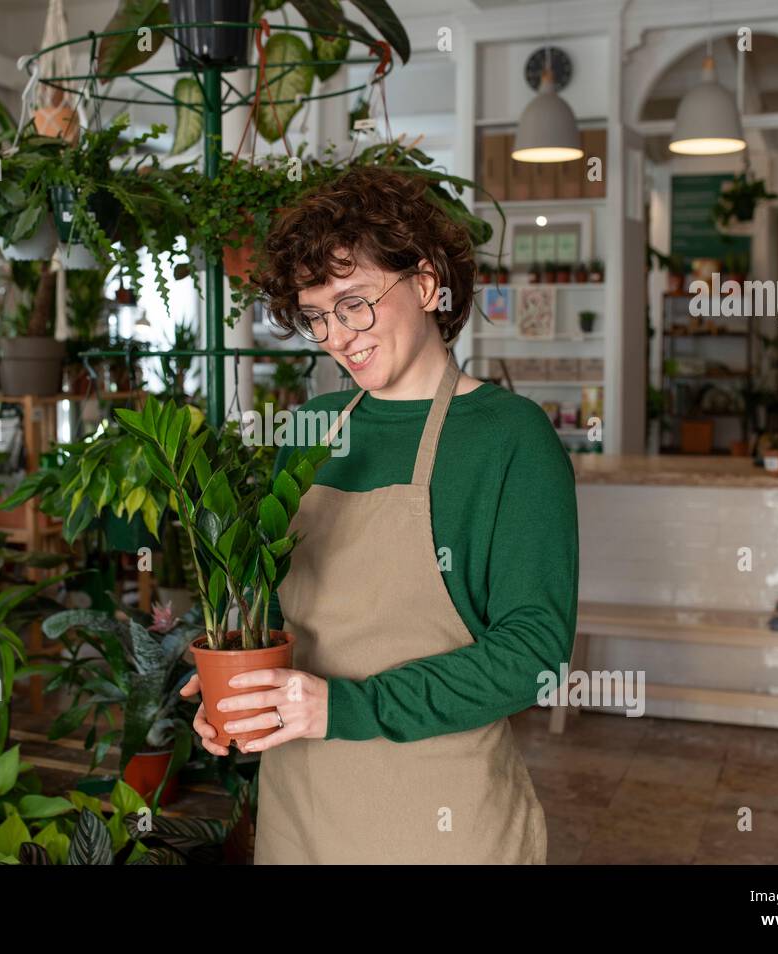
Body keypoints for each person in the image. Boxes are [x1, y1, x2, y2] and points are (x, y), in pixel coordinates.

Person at [179, 165, 579, 863]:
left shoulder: (510, 438)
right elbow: (287, 617)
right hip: (298, 814)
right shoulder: (313, 430)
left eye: (356, 303)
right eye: (318, 317)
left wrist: (343, 707)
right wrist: (231, 689)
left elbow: (533, 655)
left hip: (438, 820)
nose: (339, 336)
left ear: (426, 283)